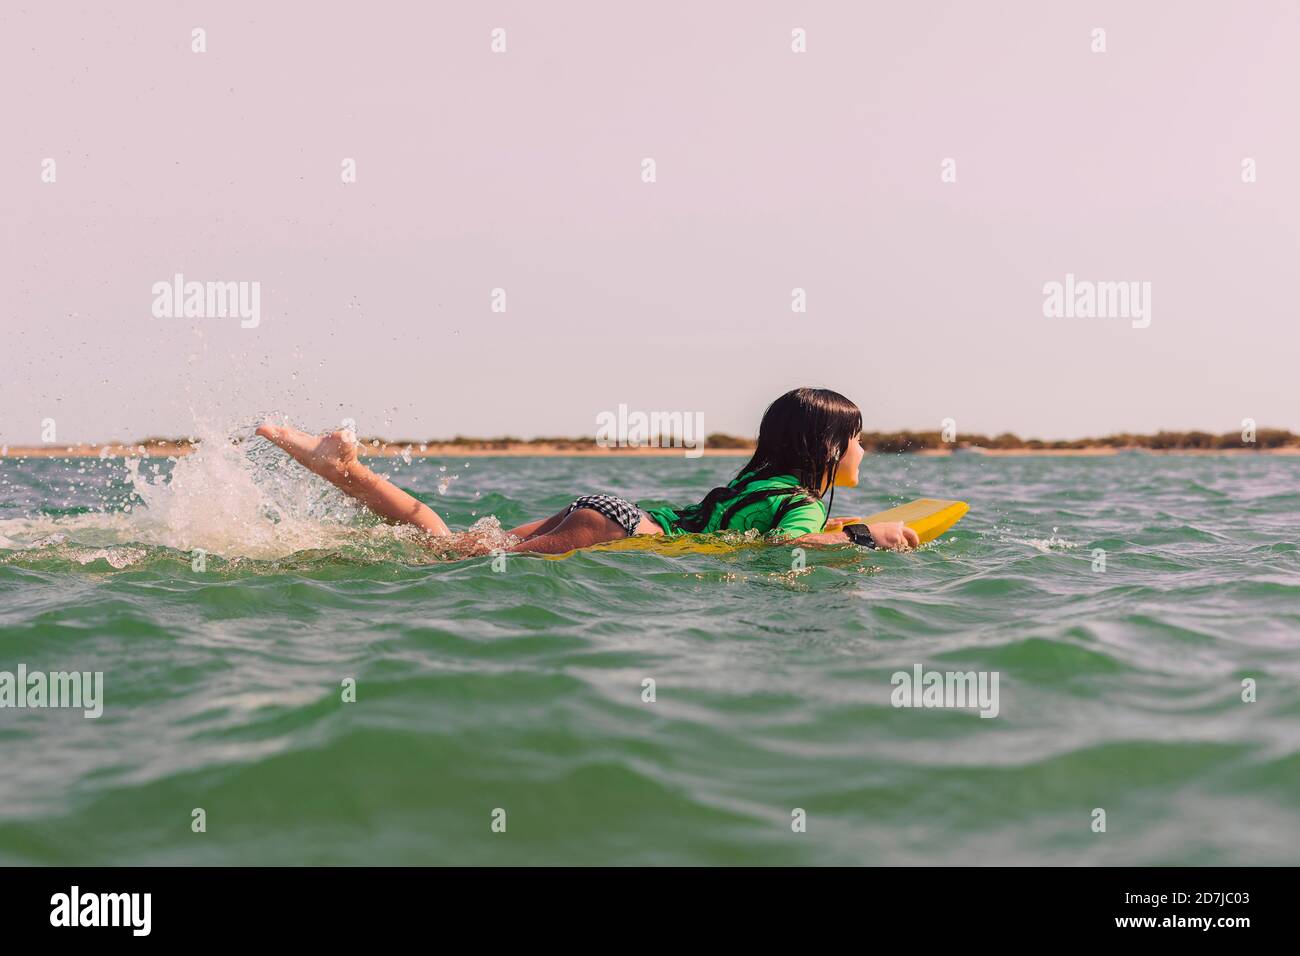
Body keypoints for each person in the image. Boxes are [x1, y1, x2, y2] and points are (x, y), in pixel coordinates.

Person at [255, 387, 919, 555]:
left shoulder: (760, 483)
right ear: (828, 449)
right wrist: (864, 538)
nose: (864, 451)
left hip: (615, 511)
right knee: (447, 559)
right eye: (857, 440)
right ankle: (341, 469)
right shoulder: (801, 505)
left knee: (446, 545)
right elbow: (787, 548)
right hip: (623, 532)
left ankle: (343, 469)